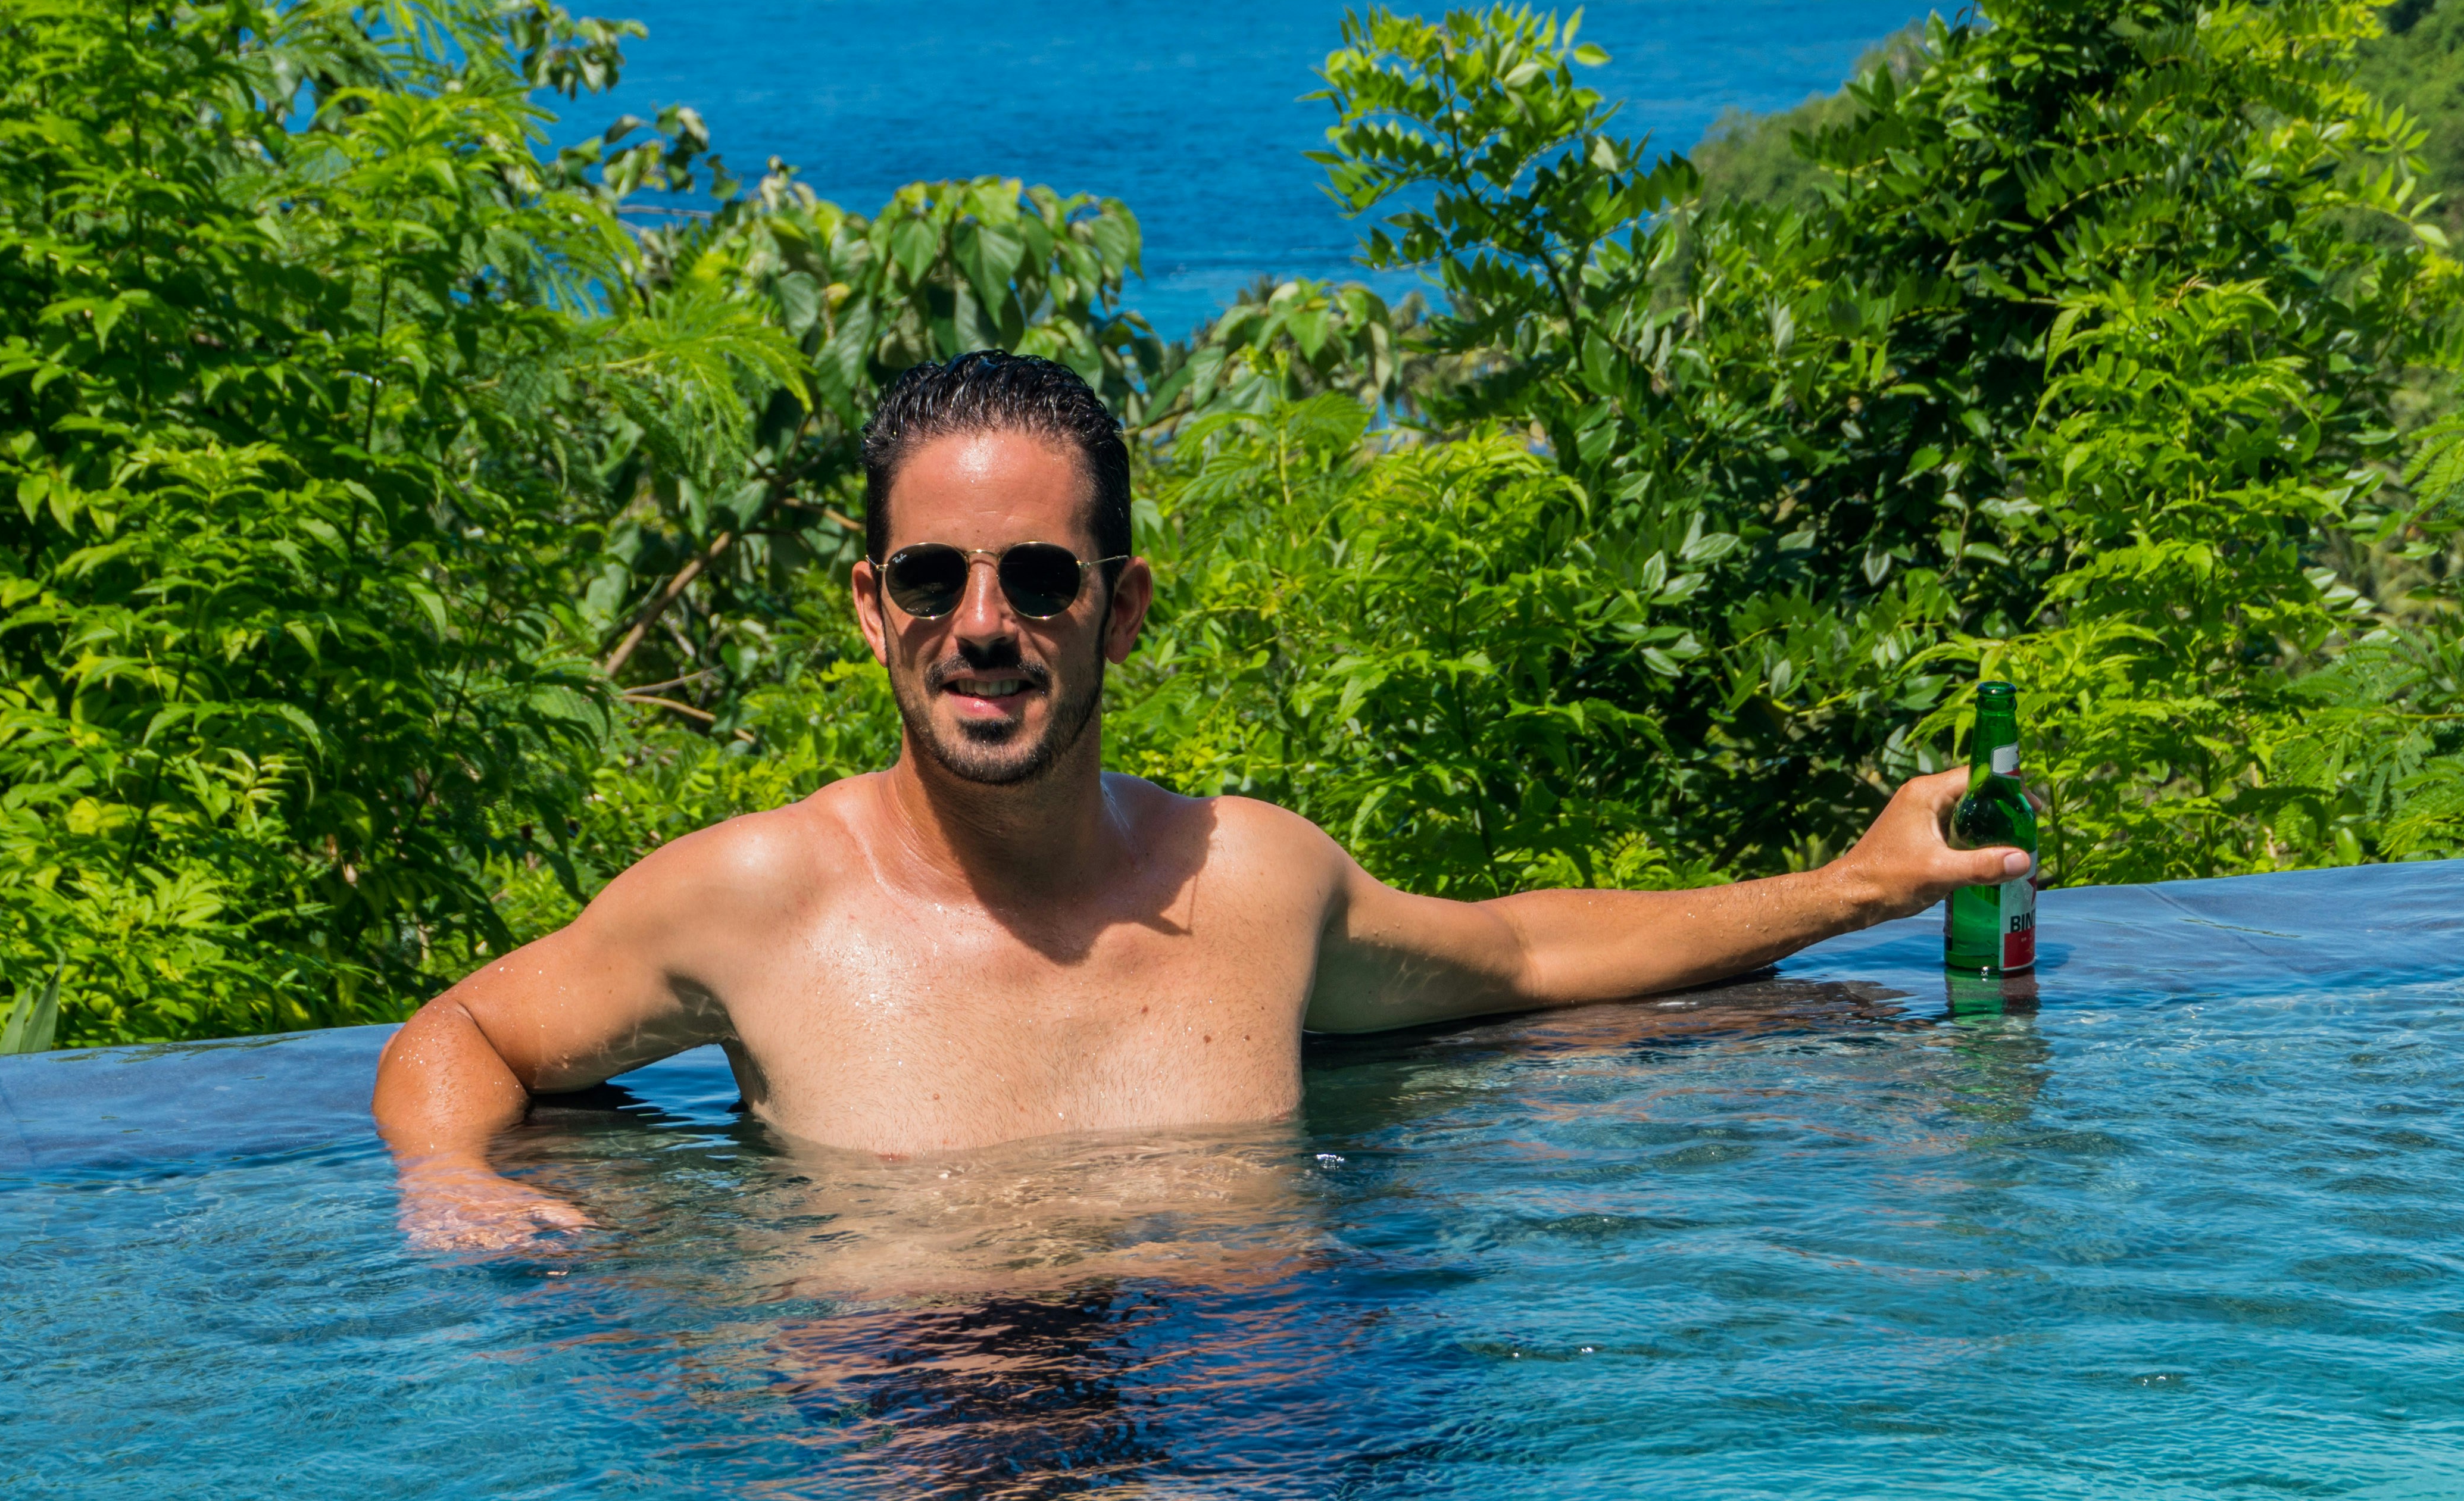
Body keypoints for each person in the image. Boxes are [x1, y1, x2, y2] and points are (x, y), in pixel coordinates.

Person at [374, 351, 2034, 1246]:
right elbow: (466, 1038)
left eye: (1038, 576)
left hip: (1269, 1412)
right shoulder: (756, 900)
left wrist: (1856, 888)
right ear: (872, 605)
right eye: (935, 579)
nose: (984, 628)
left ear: (1125, 604)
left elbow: (1523, 954)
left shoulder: (1251, 882)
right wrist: (454, 1182)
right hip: (919, 1418)